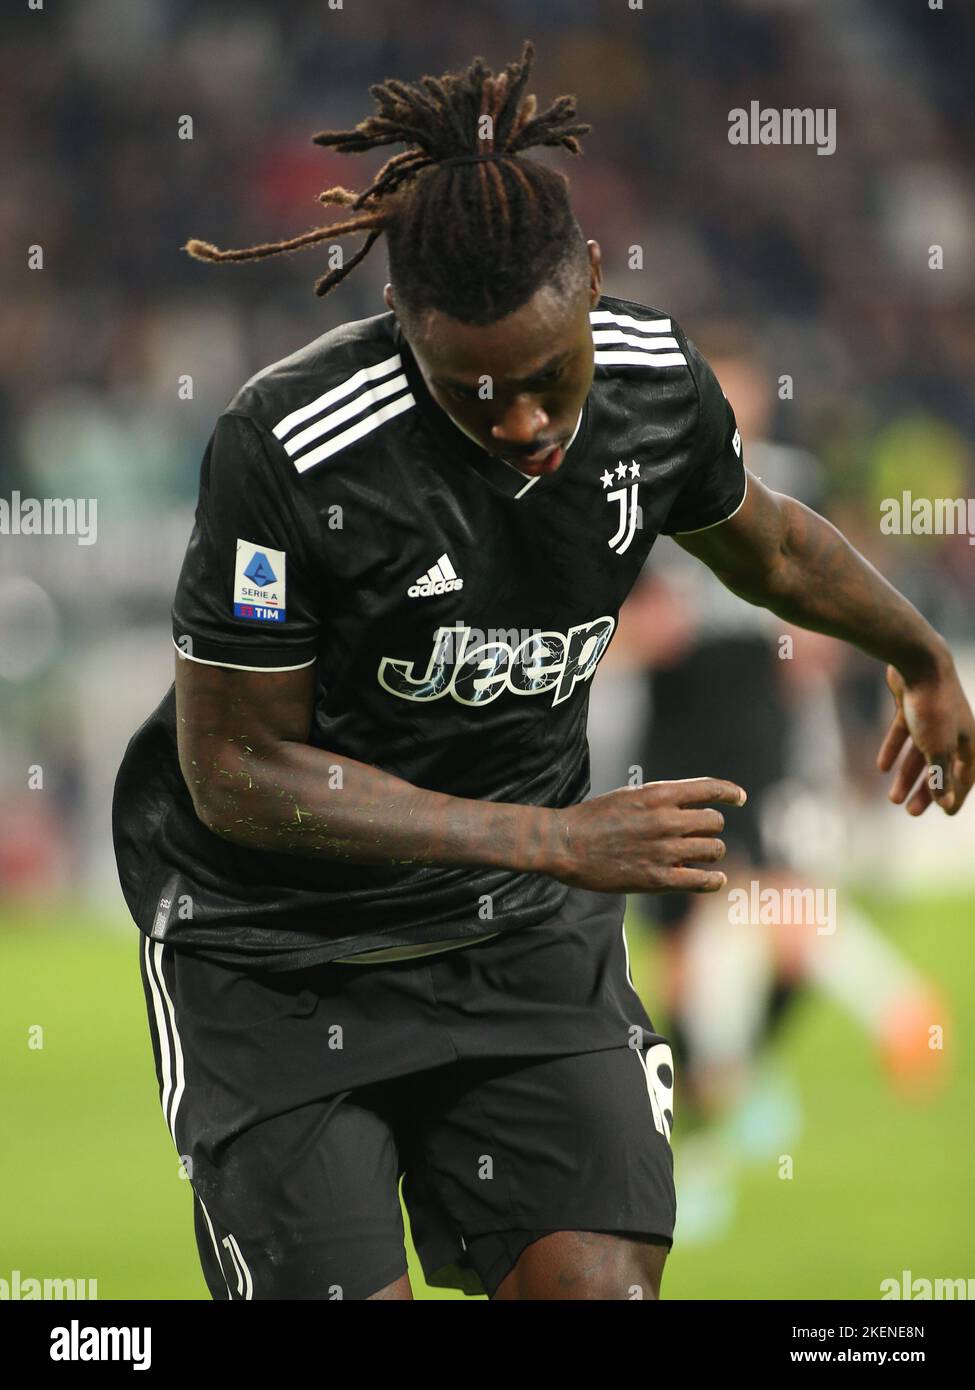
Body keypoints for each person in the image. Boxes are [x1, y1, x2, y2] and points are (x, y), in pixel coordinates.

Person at [112, 41, 973, 1301]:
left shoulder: (654, 387)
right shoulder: (289, 449)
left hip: (516, 940)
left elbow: (771, 542)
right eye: (477, 389)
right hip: (279, 951)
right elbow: (234, 768)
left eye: (545, 375)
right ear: (401, 329)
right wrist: (550, 839)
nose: (522, 419)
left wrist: (918, 652)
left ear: (591, 282)